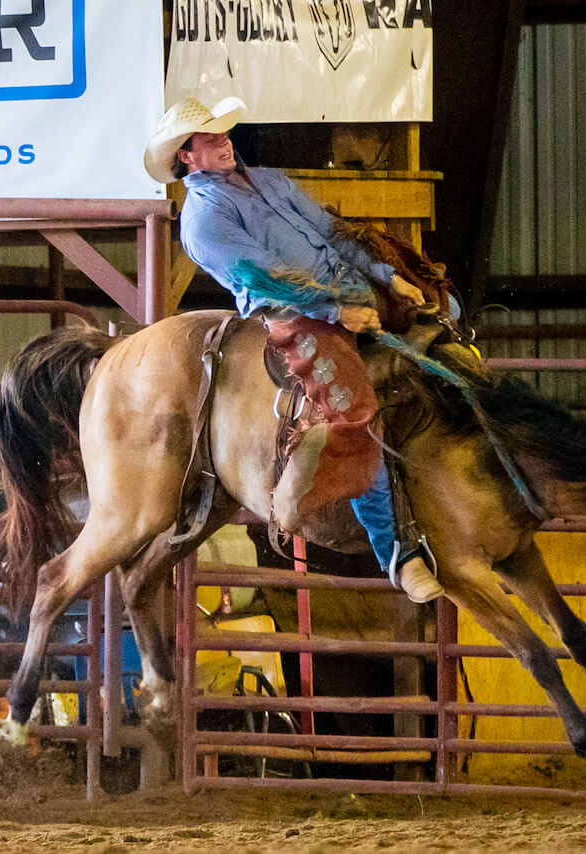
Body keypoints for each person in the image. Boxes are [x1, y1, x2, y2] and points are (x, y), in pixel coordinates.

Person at [143, 96, 444, 604]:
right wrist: (337, 310)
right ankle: (399, 551)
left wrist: (389, 275)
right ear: (185, 156)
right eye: (209, 137)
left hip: (351, 289)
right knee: (355, 413)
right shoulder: (202, 219)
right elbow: (264, 282)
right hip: (298, 317)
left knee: (445, 316)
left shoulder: (270, 181)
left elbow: (333, 233)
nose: (223, 140)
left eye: (222, 132)